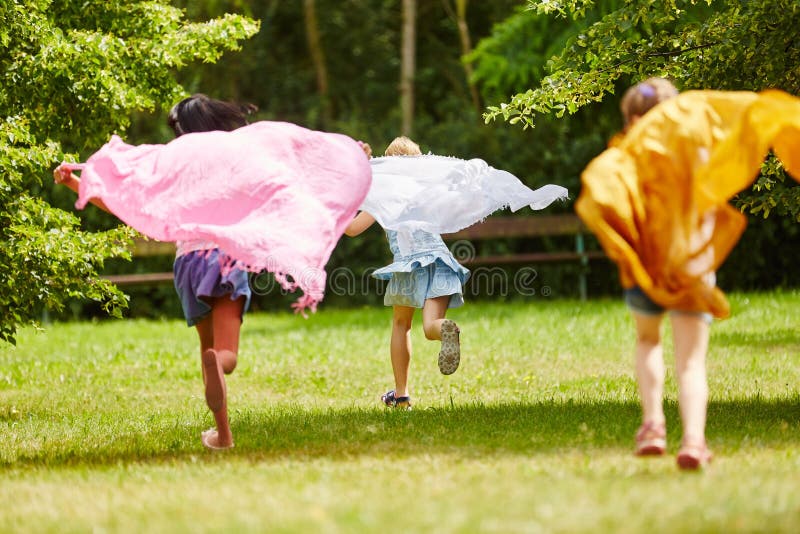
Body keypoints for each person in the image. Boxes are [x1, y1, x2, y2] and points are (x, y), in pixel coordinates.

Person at [576, 78, 800, 469]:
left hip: (645, 265)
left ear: (631, 119)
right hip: (692, 264)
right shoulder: (698, 138)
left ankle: (653, 426)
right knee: (692, 361)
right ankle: (694, 441)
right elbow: (748, 114)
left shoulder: (630, 152)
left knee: (648, 342)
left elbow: (604, 188)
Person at [55, 94, 256, 450]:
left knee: (205, 347)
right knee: (227, 355)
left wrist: (76, 181)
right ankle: (219, 363)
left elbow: (130, 205)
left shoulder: (171, 166)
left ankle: (223, 435)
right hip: (224, 258)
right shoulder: (234, 158)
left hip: (189, 265)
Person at [345, 136, 468, 409]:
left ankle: (402, 397)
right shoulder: (428, 191)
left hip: (409, 265)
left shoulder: (385, 196)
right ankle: (444, 330)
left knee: (402, 325)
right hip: (440, 261)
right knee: (430, 326)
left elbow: (352, 229)